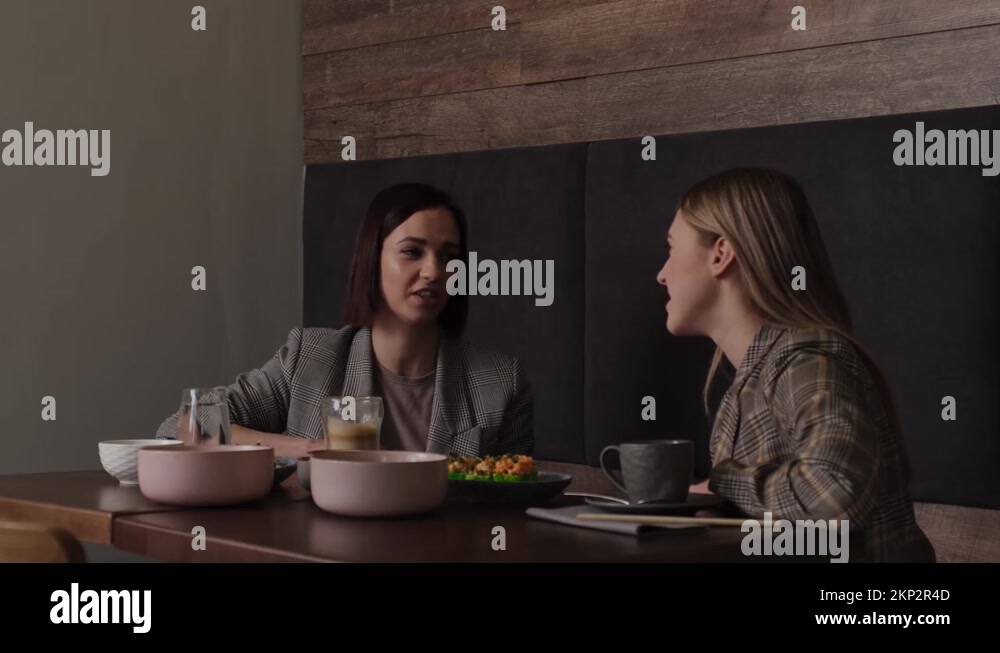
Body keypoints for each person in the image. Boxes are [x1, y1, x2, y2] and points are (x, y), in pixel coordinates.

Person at [656, 167, 934, 562]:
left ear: (721, 254)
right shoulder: (753, 377)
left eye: (671, 248)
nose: (661, 274)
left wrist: (724, 483)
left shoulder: (806, 360)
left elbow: (835, 492)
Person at [156, 183, 533, 459]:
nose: (434, 271)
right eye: (412, 252)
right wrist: (306, 449)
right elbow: (183, 426)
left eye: (448, 256)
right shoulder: (310, 358)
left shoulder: (501, 382)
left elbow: (515, 513)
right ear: (373, 259)